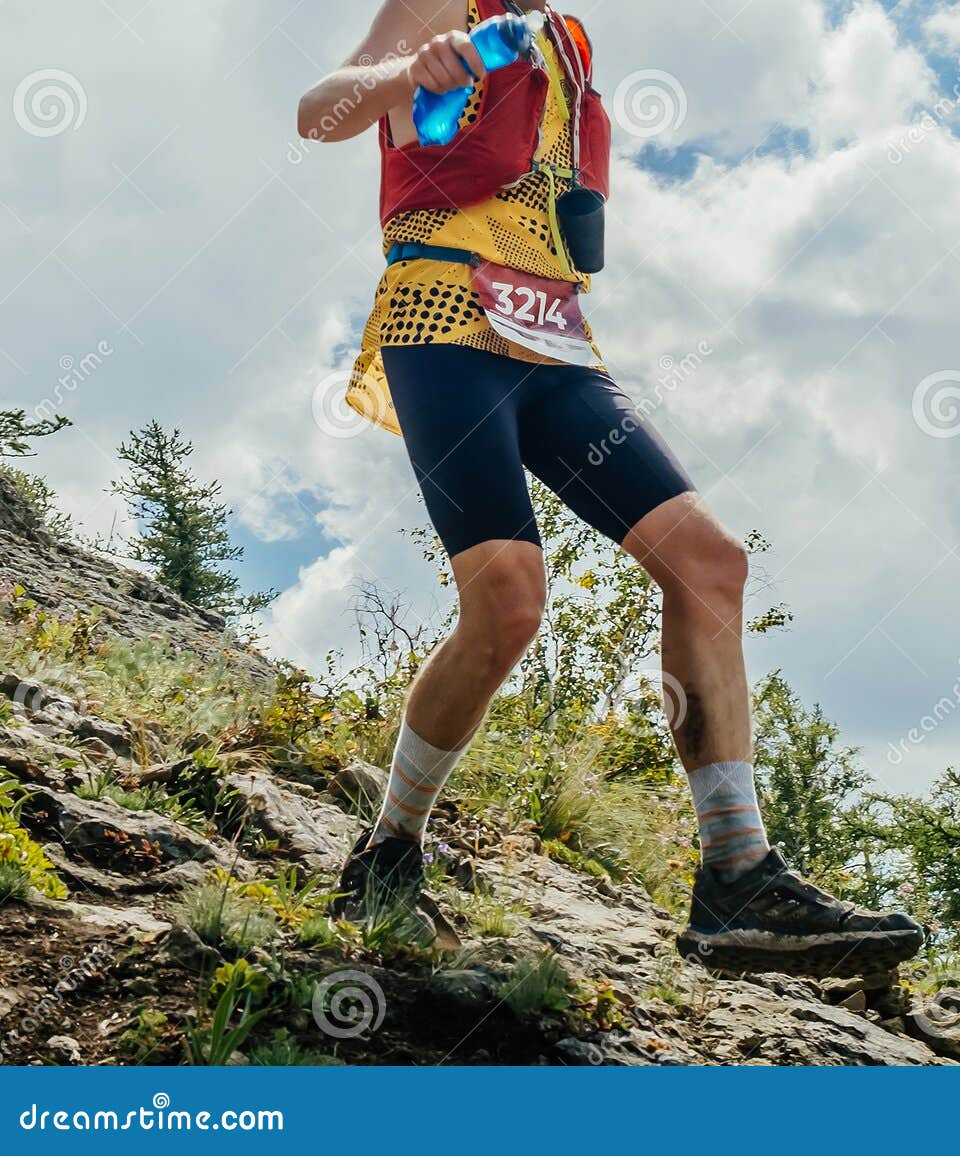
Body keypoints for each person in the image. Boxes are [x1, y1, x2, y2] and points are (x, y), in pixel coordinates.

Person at [296, 0, 923, 976]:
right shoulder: (441, 6)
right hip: (442, 311)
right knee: (506, 606)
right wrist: (403, 77)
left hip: (555, 338)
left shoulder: (568, 42)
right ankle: (387, 848)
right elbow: (318, 111)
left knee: (710, 563)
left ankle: (736, 876)